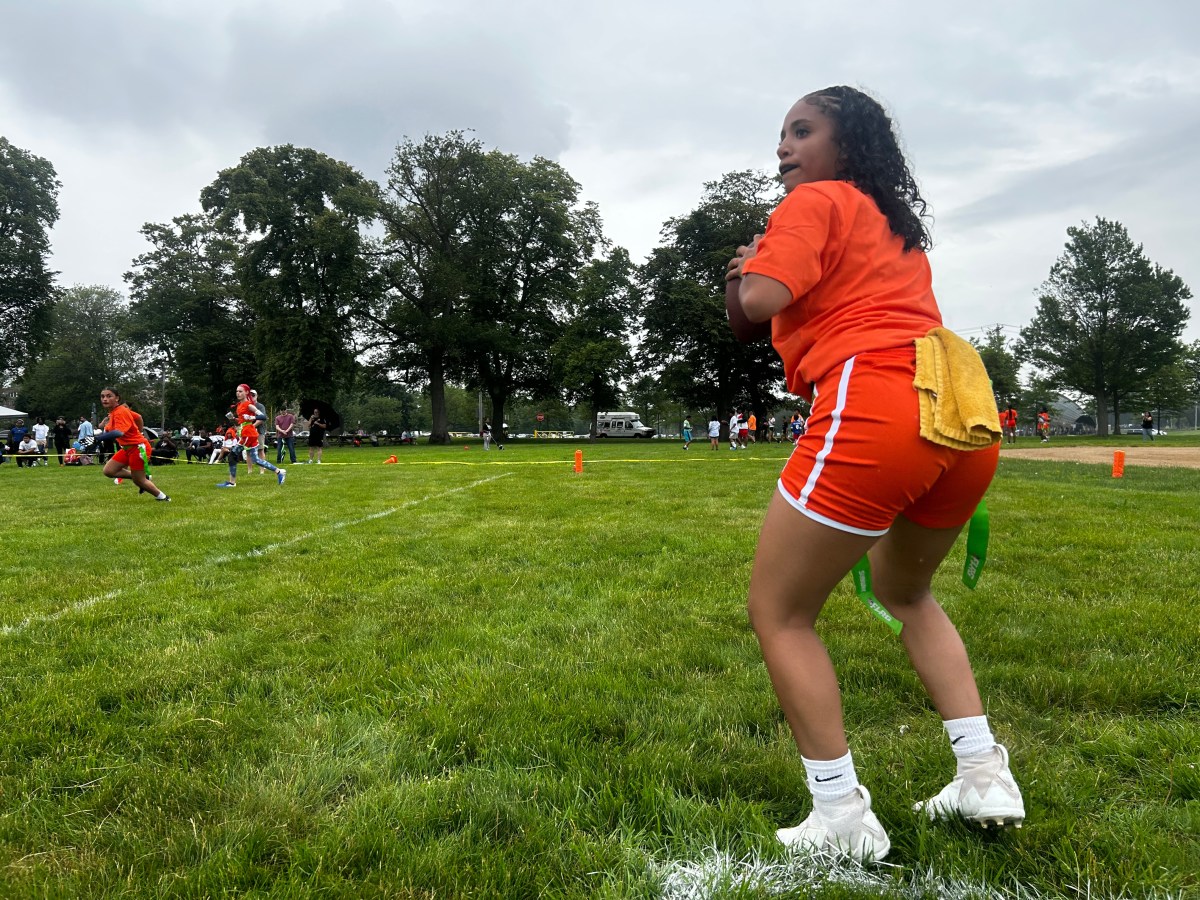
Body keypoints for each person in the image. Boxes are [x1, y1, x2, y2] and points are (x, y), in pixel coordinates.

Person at [725, 85, 1023, 862]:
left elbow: (761, 298)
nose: (783, 146)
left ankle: (840, 816)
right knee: (906, 592)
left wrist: (747, 267)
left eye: (801, 130)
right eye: (781, 134)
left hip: (877, 398)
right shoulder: (893, 227)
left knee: (780, 611)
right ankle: (983, 773)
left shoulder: (813, 201)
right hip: (960, 406)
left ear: (846, 145)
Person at [93, 388, 170, 501]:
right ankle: (142, 477)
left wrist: (98, 438)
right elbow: (138, 417)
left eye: (109, 396)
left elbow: (119, 432)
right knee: (109, 471)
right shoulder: (114, 412)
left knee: (139, 481)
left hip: (138, 448)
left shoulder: (120, 411)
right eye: (102, 396)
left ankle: (163, 497)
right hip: (127, 448)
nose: (105, 399)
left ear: (117, 398)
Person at [218, 384, 285, 487]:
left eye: (240, 391)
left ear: (246, 392)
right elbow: (242, 421)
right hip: (248, 433)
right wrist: (233, 419)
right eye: (237, 391)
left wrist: (251, 417)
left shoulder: (249, 405)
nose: (238, 393)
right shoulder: (239, 405)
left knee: (232, 455)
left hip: (248, 434)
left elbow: (263, 417)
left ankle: (232, 482)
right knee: (256, 460)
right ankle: (279, 472)